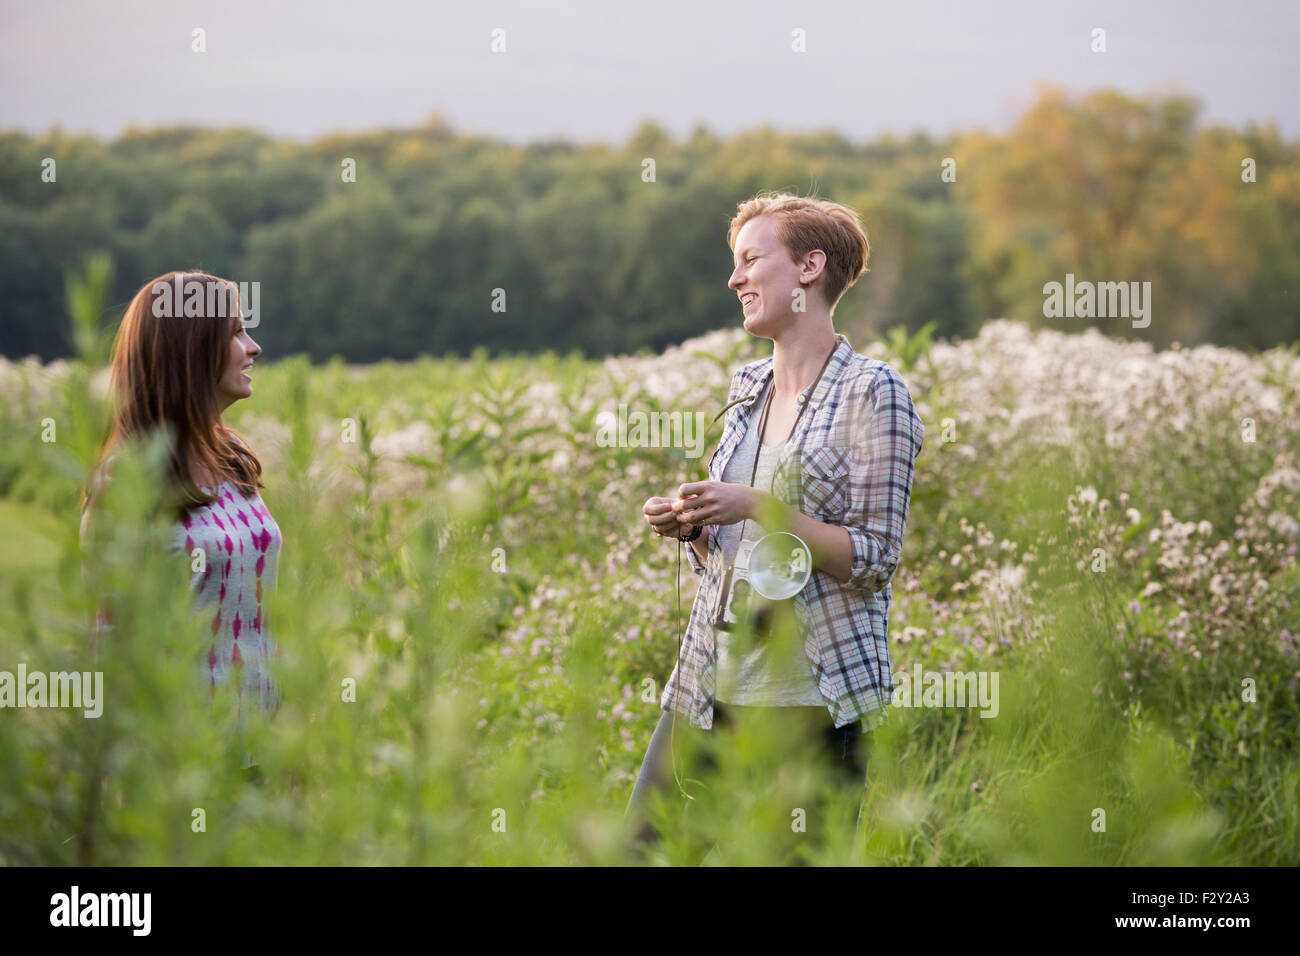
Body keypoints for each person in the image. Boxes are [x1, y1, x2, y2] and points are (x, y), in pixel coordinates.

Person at [629, 192, 925, 862]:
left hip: (809, 699)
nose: (735, 279)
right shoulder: (747, 389)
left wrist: (756, 504)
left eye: (750, 260)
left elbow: (873, 558)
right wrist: (695, 527)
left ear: (809, 268)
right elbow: (740, 555)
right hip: (709, 686)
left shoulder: (874, 394)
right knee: (638, 853)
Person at [80, 271, 281, 776]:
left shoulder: (233, 455)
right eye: (235, 332)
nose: (253, 347)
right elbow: (112, 647)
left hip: (264, 749)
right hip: (186, 766)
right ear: (190, 353)